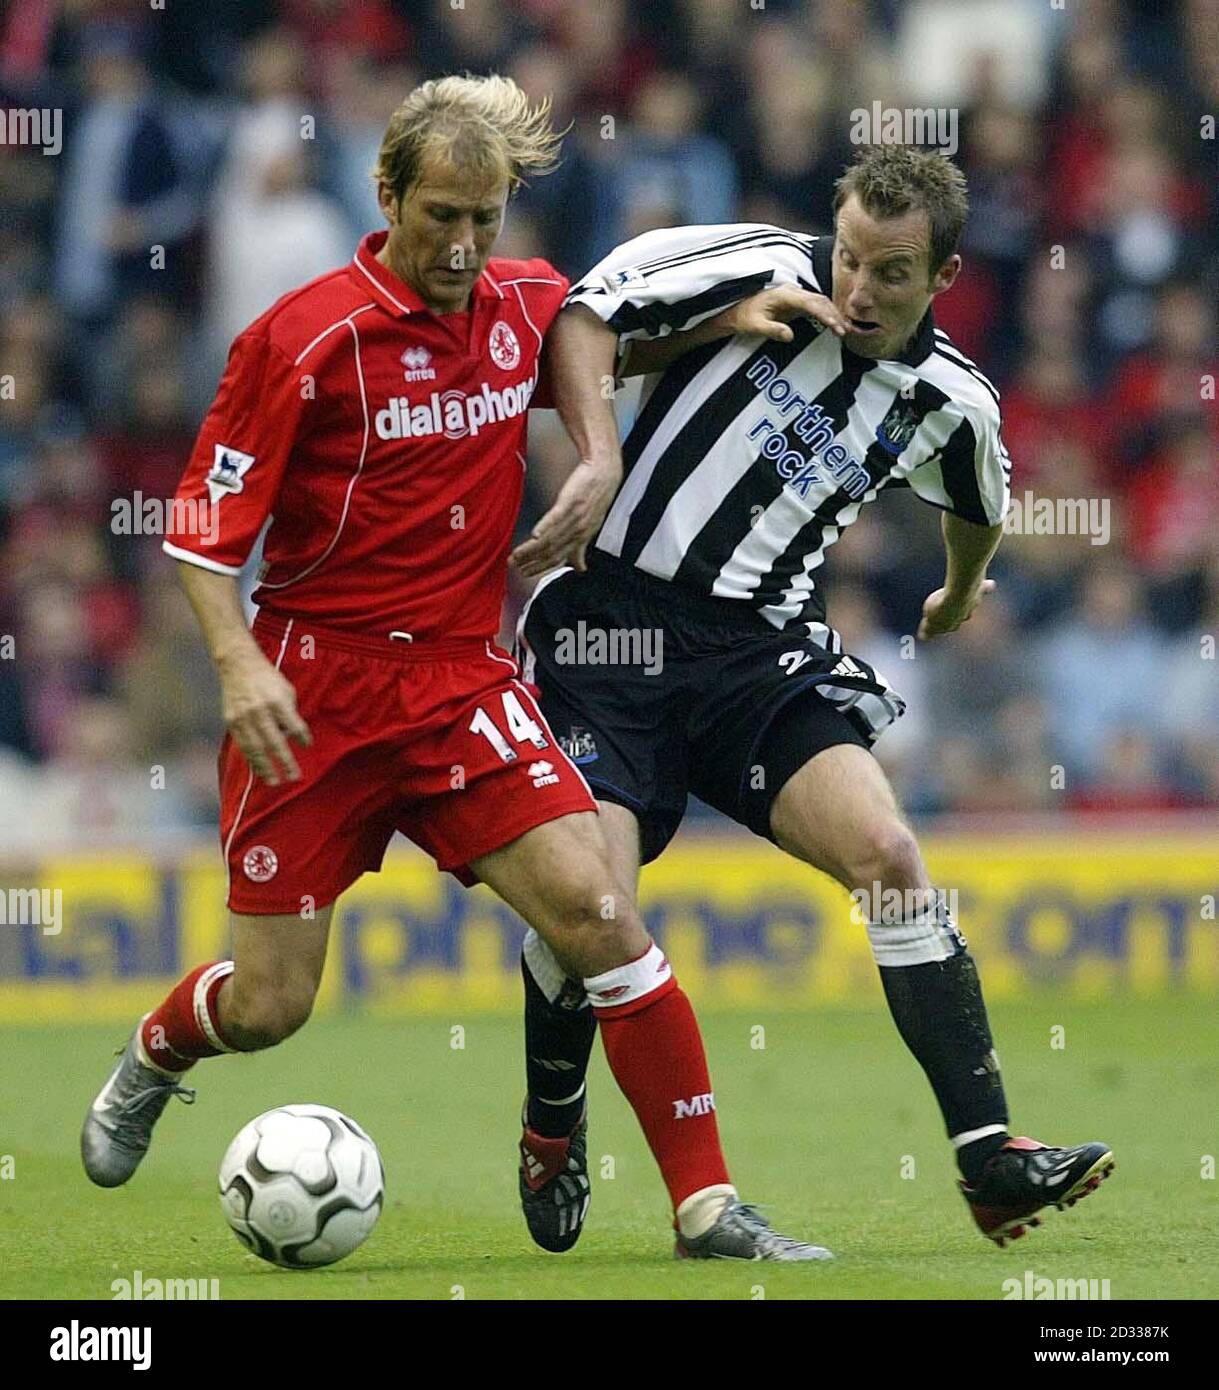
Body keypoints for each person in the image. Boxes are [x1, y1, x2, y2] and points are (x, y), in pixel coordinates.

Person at [80, 74, 825, 1263]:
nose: (465, 245)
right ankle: (158, 1054)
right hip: (311, 697)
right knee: (270, 1006)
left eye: (485, 219)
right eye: (441, 218)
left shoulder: (525, 302)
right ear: (385, 197)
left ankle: (705, 1206)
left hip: (462, 687)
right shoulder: (302, 339)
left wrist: (717, 326)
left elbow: (608, 346)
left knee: (600, 914)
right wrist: (236, 664)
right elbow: (199, 528)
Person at [512, 145, 1114, 1250]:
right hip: (610, 628)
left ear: (942, 277)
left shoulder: (950, 401)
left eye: (890, 272)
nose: (855, 289)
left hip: (758, 657)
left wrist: (961, 589)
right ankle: (553, 1116)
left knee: (887, 854)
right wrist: (597, 457)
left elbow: (980, 496)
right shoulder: (752, 259)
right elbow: (581, 313)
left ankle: (988, 1156)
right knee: (591, 909)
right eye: (847, 257)